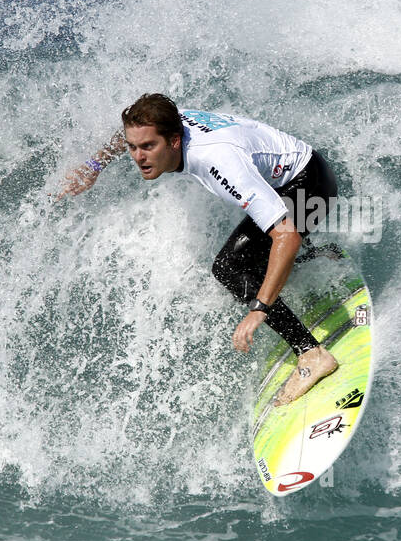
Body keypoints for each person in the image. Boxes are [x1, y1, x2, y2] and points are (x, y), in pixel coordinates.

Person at [54, 93, 340, 406]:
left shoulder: (217, 162)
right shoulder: (162, 125)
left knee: (230, 267)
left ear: (174, 142)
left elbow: (287, 236)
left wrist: (259, 309)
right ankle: (315, 258)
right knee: (255, 249)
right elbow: (130, 135)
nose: (138, 156)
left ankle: (312, 353)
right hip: (285, 172)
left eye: (148, 147)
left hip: (311, 188)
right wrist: (94, 166)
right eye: (133, 147)